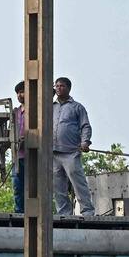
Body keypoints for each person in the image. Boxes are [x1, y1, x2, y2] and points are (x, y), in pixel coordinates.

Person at [53, 77, 94, 217]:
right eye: (57, 86)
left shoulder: (77, 107)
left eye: (62, 86)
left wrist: (85, 142)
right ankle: (63, 213)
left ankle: (87, 211)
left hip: (71, 152)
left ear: (69, 88)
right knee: (58, 186)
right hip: (53, 153)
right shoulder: (49, 107)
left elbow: (85, 126)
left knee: (78, 183)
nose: (59, 88)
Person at [12, 81, 26, 214]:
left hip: (33, 155)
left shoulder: (37, 112)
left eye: (22, 91)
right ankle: (19, 212)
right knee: (17, 186)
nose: (20, 95)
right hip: (17, 155)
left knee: (33, 187)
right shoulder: (15, 112)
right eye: (18, 93)